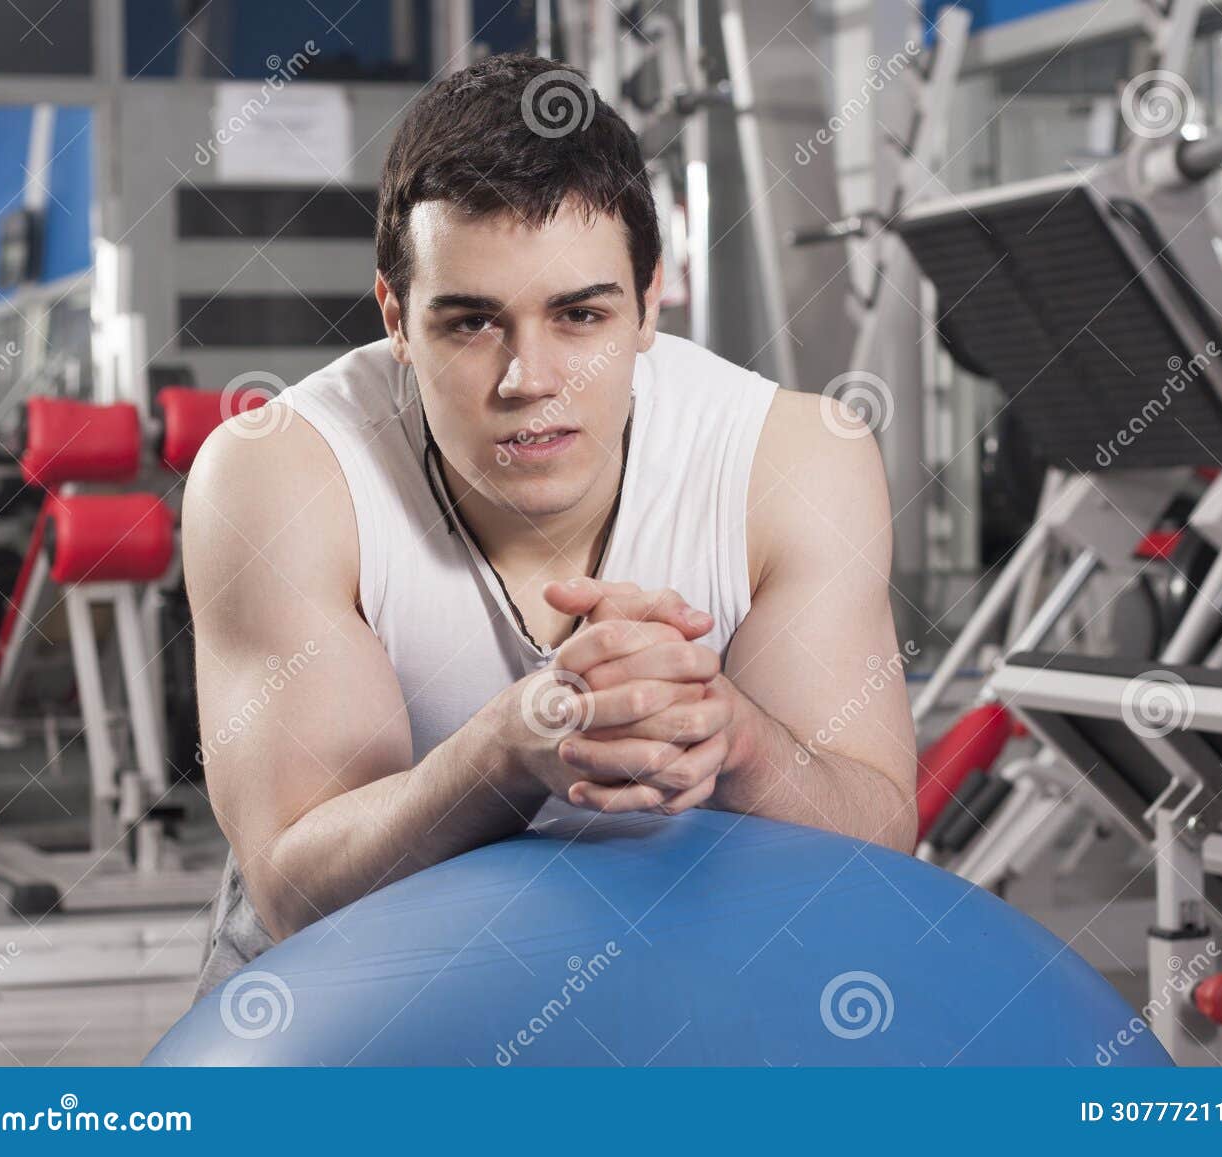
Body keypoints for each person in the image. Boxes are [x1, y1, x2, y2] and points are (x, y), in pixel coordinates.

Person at [184, 53, 915, 998]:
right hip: (353, 975)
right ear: (395, 317)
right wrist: (504, 753)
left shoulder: (795, 458)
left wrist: (735, 738)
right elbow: (295, 894)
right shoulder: (280, 471)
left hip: (669, 939)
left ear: (650, 301)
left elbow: (877, 843)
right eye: (471, 323)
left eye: (579, 315)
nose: (529, 378)